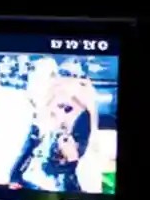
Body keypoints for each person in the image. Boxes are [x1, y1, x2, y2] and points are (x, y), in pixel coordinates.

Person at [10, 62, 97, 192]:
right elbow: (13, 181)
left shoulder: (87, 160)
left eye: (68, 109)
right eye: (59, 108)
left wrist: (70, 165)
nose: (62, 117)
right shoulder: (35, 137)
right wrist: (33, 140)